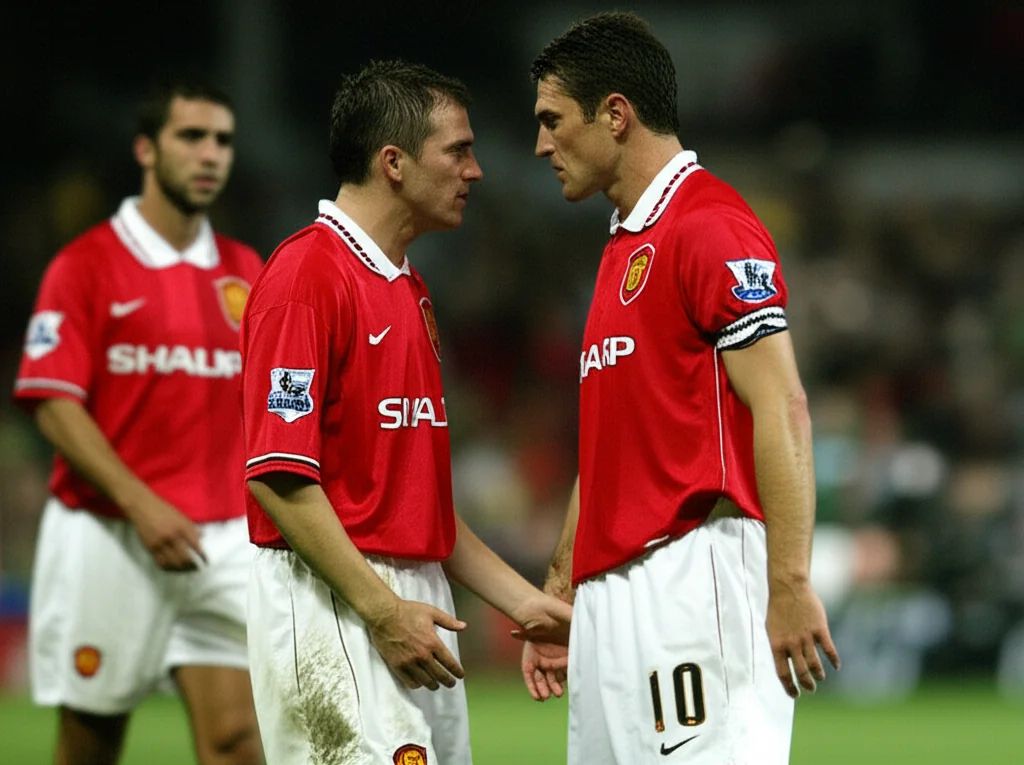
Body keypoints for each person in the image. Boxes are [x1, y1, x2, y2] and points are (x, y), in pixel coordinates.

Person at [521, 11, 841, 765]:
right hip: (612, 594)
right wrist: (565, 589)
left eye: (552, 120)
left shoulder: (711, 227)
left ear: (616, 115)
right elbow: (611, 446)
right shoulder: (622, 248)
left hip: (694, 578)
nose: (540, 145)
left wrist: (789, 580)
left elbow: (784, 404)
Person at [240, 59, 572, 765]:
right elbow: (277, 475)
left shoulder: (408, 287)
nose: (476, 171)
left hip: (415, 600)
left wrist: (526, 604)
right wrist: (383, 610)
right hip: (337, 597)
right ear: (393, 162)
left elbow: (422, 507)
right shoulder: (306, 278)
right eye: (459, 150)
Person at [13, 77, 264, 765]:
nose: (211, 153)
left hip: (222, 541)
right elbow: (53, 401)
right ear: (146, 149)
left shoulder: (249, 272)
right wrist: (141, 503)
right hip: (111, 531)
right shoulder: (86, 264)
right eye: (192, 137)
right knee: (91, 741)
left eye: (223, 140)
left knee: (241, 739)